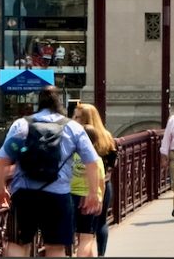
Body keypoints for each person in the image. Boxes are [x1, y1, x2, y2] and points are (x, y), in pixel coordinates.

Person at [0, 85, 103, 259]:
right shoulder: (73, 127)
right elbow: (92, 162)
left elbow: (2, 160)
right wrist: (93, 192)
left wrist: (0, 188)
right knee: (55, 247)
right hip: (58, 196)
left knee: (17, 244)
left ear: (39, 101)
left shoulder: (21, 124)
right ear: (60, 102)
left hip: (24, 194)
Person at [67, 102, 118, 258]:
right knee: (100, 223)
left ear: (85, 119)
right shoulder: (106, 136)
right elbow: (113, 162)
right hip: (102, 185)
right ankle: (100, 253)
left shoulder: (75, 138)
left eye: (77, 117)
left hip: (78, 188)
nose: (73, 119)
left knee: (82, 230)